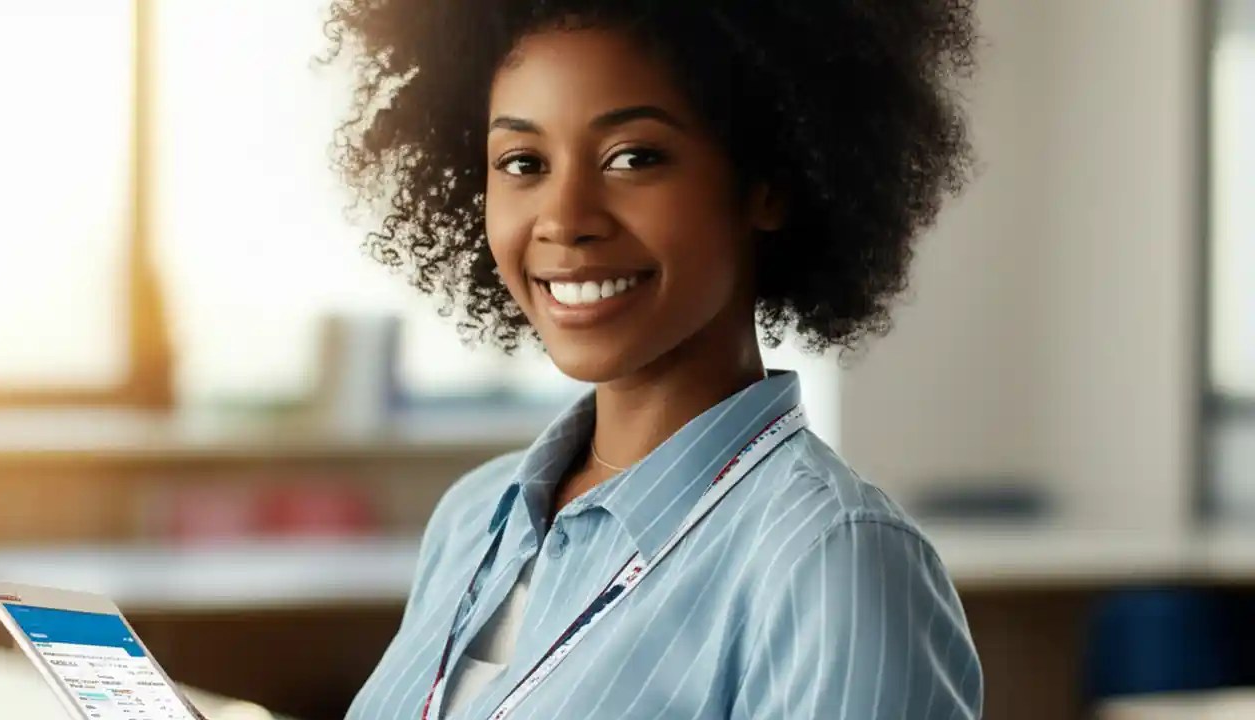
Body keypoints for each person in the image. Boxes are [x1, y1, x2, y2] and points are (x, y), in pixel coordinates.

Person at [323, 1, 983, 718]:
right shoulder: (476, 519)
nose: (565, 219)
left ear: (770, 180)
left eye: (633, 157)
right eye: (523, 163)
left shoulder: (834, 561)